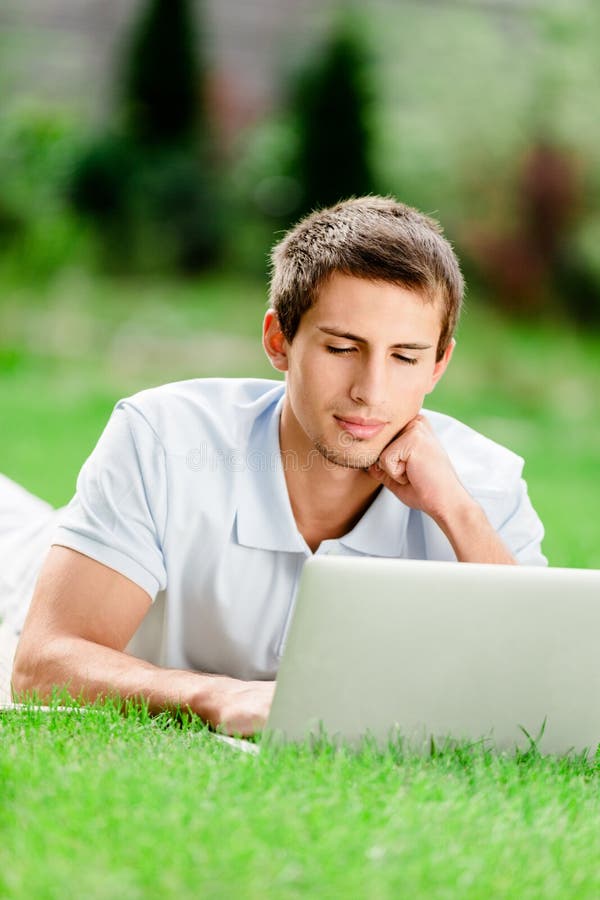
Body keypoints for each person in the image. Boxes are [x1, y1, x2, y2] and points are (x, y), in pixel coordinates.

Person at [3, 196, 546, 730]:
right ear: (279, 340)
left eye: (405, 357)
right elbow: (41, 665)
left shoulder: (484, 487)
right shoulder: (163, 438)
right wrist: (220, 696)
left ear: (439, 364)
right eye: (342, 348)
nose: (371, 392)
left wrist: (458, 513)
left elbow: (541, 696)